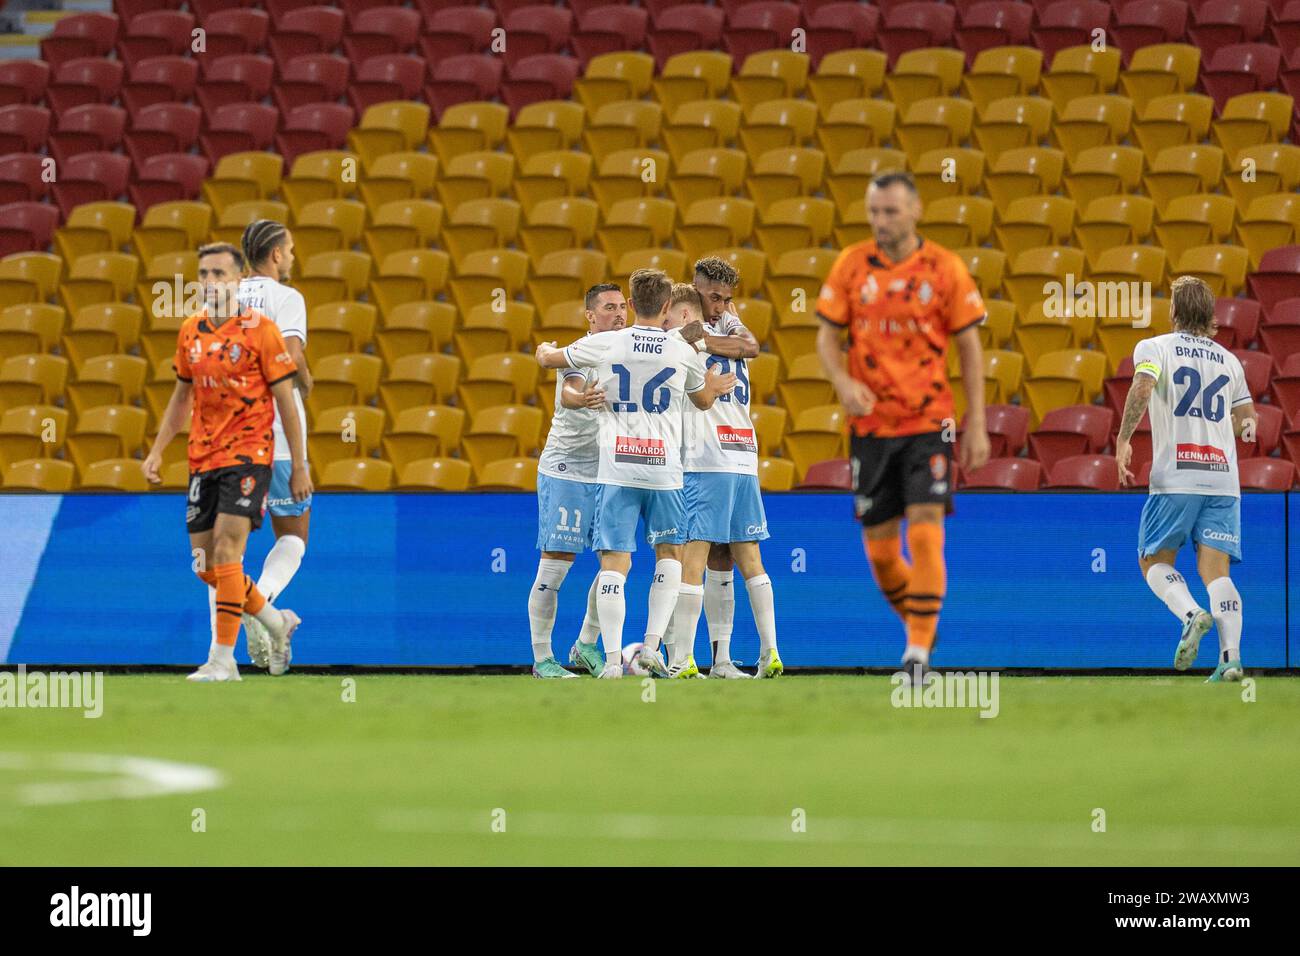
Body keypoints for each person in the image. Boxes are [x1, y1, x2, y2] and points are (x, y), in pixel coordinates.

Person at [815, 171, 990, 684]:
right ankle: (922, 625)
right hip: (869, 426)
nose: (880, 221)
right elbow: (827, 338)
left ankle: (915, 653)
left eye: (890, 211)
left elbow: (969, 348)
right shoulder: (851, 264)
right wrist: (843, 382)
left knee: (928, 531)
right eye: (873, 212)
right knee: (882, 552)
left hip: (928, 421)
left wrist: (976, 422)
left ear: (915, 210)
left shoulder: (945, 268)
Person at [534, 269, 736, 678]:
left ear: (630, 304)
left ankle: (608, 660)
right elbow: (699, 401)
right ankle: (650, 646)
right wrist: (713, 387)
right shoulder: (679, 349)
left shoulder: (605, 343)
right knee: (668, 556)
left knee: (614, 562)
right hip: (662, 471)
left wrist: (543, 350)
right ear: (665, 307)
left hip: (616, 468)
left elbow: (552, 360)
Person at [141, 243, 312, 682]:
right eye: (204, 274)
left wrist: (300, 465)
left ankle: (223, 660)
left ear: (239, 281)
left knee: (227, 549)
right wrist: (159, 449)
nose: (212, 282)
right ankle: (275, 621)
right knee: (207, 568)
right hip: (203, 457)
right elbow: (182, 396)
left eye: (220, 274)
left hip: (250, 455)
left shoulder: (262, 330)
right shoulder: (190, 331)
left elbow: (287, 401)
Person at [1116, 275, 1254, 682]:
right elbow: (1247, 422)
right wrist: (1229, 427)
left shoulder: (1154, 347)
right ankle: (1231, 659)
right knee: (1218, 572)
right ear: (1210, 316)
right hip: (1224, 479)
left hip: (1176, 475)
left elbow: (1142, 388)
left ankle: (1191, 613)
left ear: (1174, 311)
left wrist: (1124, 438)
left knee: (1152, 561)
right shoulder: (1230, 361)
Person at [661, 280, 783, 679]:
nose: (724, 305)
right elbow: (748, 346)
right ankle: (756, 654)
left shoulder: (691, 340)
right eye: (717, 297)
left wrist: (695, 338)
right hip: (743, 455)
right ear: (699, 295)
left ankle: (681, 657)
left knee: (691, 558)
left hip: (706, 458)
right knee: (740, 558)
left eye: (728, 298)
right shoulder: (731, 331)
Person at [529, 283, 627, 678]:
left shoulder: (631, 351)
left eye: (623, 307)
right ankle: (542, 659)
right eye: (608, 307)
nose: (619, 314)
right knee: (556, 566)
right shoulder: (580, 351)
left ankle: (586, 643)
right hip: (567, 469)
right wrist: (582, 396)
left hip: (611, 469)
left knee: (614, 564)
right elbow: (569, 388)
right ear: (590, 315)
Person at [235, 220, 312, 672]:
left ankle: (221, 653)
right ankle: (261, 602)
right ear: (277, 255)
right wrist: (302, 376)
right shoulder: (288, 298)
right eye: (291, 250)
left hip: (231, 432)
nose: (294, 257)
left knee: (228, 546)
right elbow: (291, 356)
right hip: (280, 431)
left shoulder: (222, 296)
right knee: (294, 536)